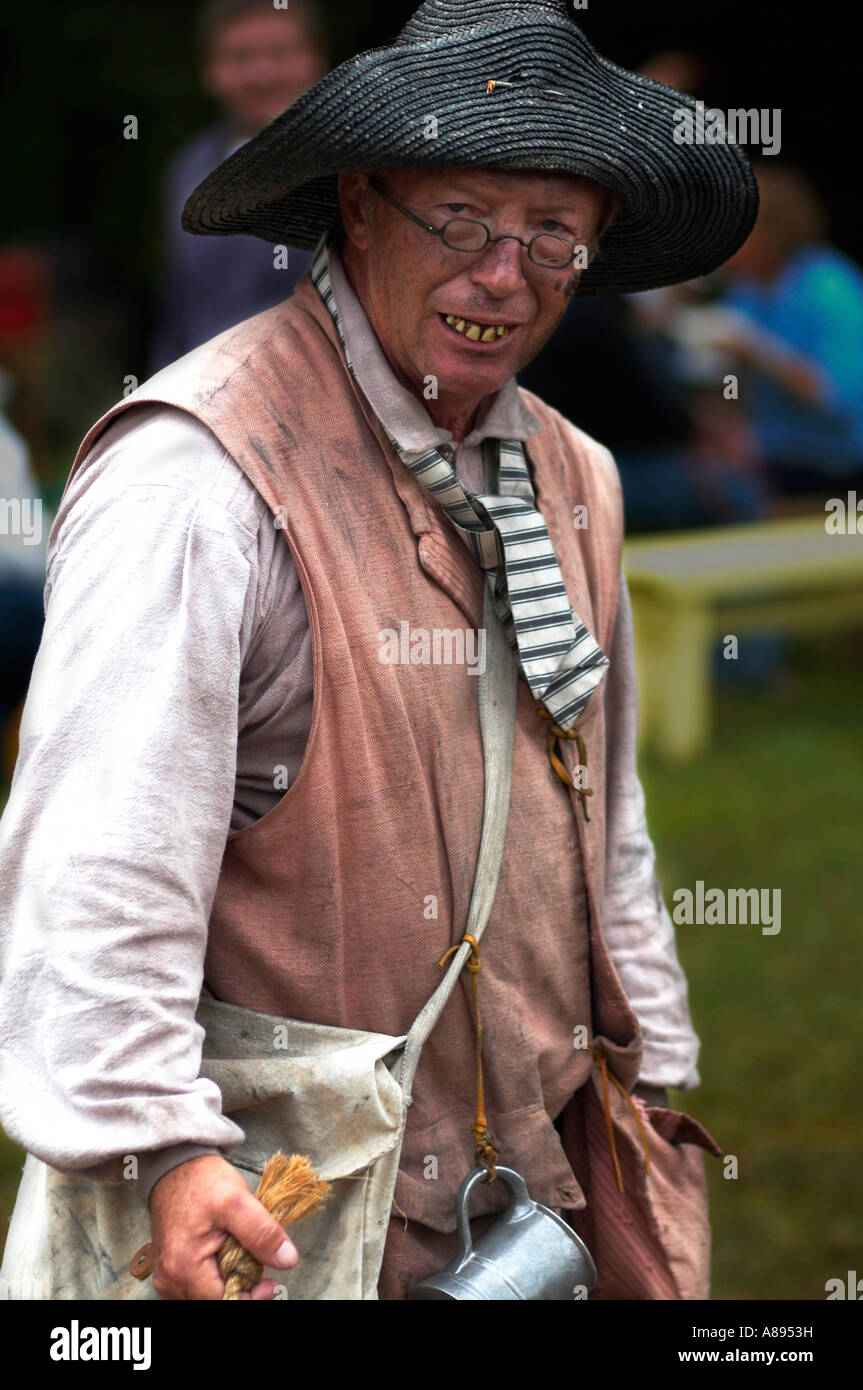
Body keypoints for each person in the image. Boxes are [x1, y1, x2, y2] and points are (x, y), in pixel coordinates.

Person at [0, 0, 758, 1301]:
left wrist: (643, 1067)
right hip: (261, 1216)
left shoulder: (572, 473)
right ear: (355, 207)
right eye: (460, 222)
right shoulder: (199, 473)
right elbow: (95, 857)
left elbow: (601, 800)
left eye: (553, 239)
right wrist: (162, 1150)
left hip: (522, 1194)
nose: (504, 278)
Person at [148, 0, 328, 371]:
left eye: (280, 53)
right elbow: (177, 308)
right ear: (210, 71)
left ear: (316, 60)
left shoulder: (350, 165)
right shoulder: (189, 168)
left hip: (316, 393)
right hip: (198, 395)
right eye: (240, 57)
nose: (262, 74)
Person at [717, 162, 863, 495]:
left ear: (772, 229)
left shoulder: (828, 286)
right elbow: (732, 391)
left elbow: (835, 397)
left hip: (842, 469)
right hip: (777, 465)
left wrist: (754, 348)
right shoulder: (744, 293)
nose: (722, 243)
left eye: (737, 230)